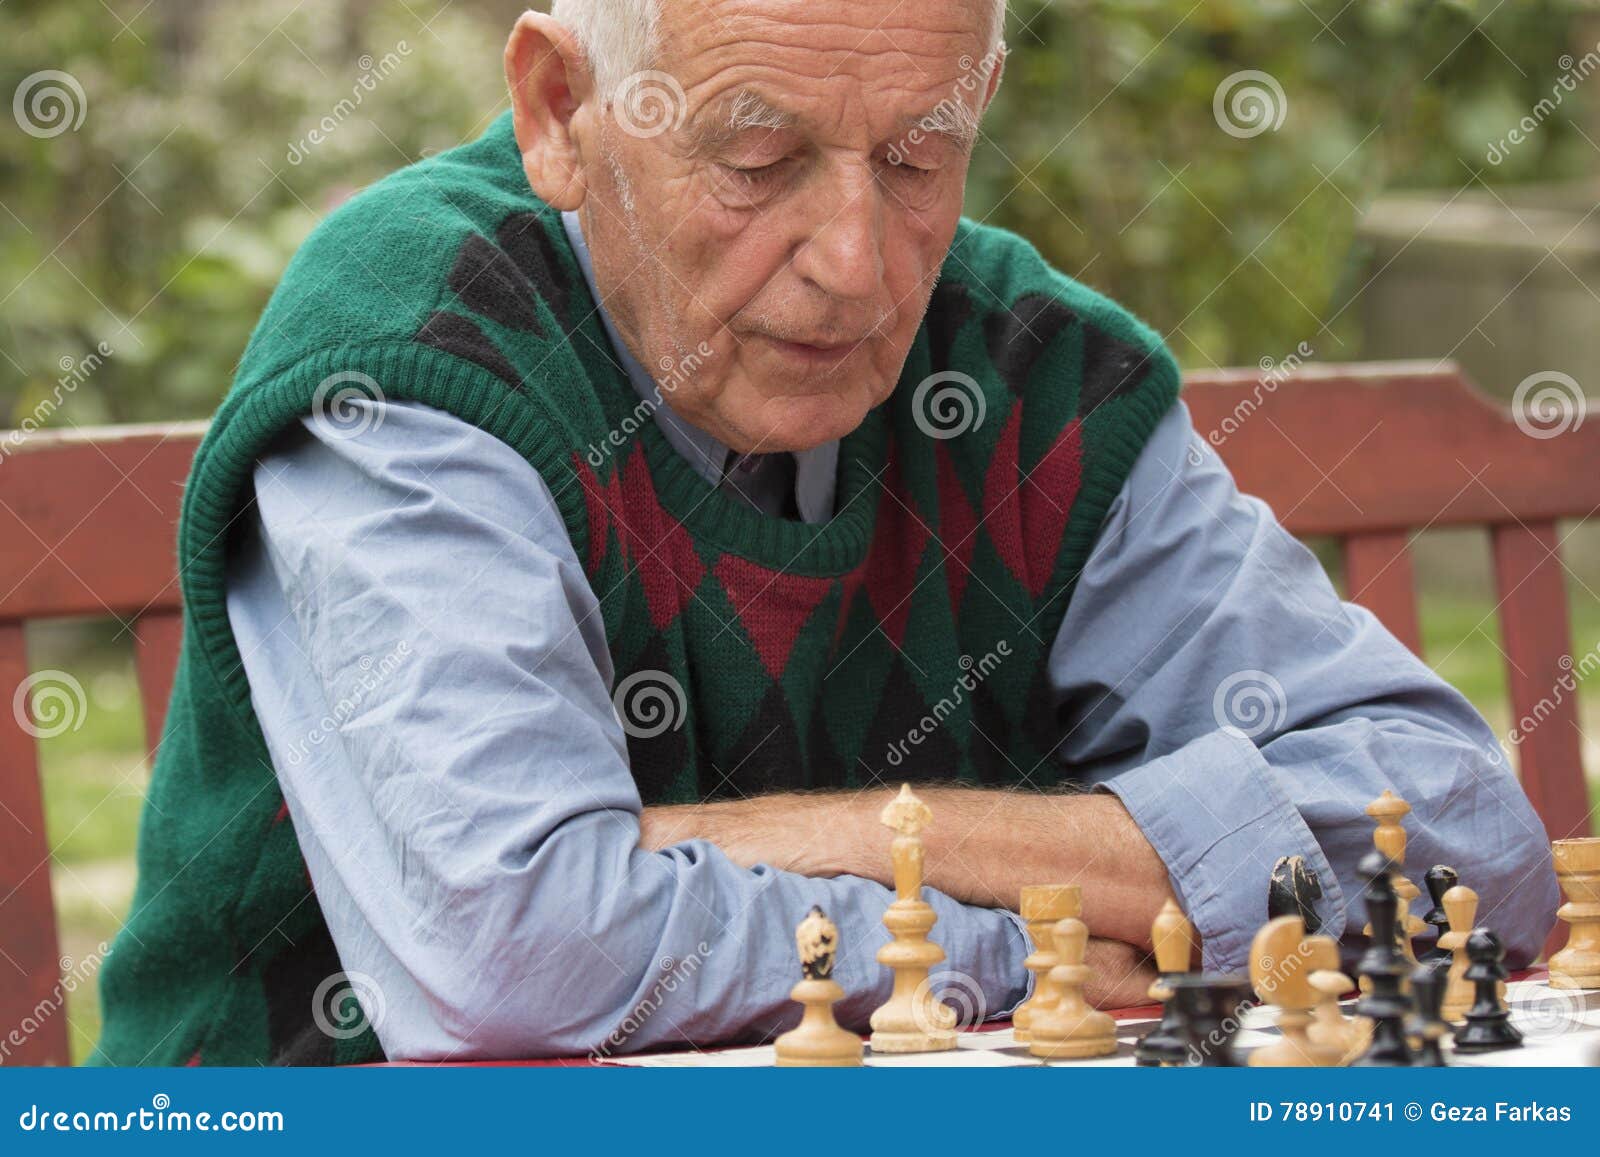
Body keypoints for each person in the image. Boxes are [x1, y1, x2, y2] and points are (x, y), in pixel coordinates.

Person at [93, 0, 1556, 1066]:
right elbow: (517, 955)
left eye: (920, 161)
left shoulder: (1033, 371)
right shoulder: (414, 347)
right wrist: (1033, 933)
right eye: (756, 155)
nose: (857, 265)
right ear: (558, 111)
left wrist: (854, 835)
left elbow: (1463, 835)